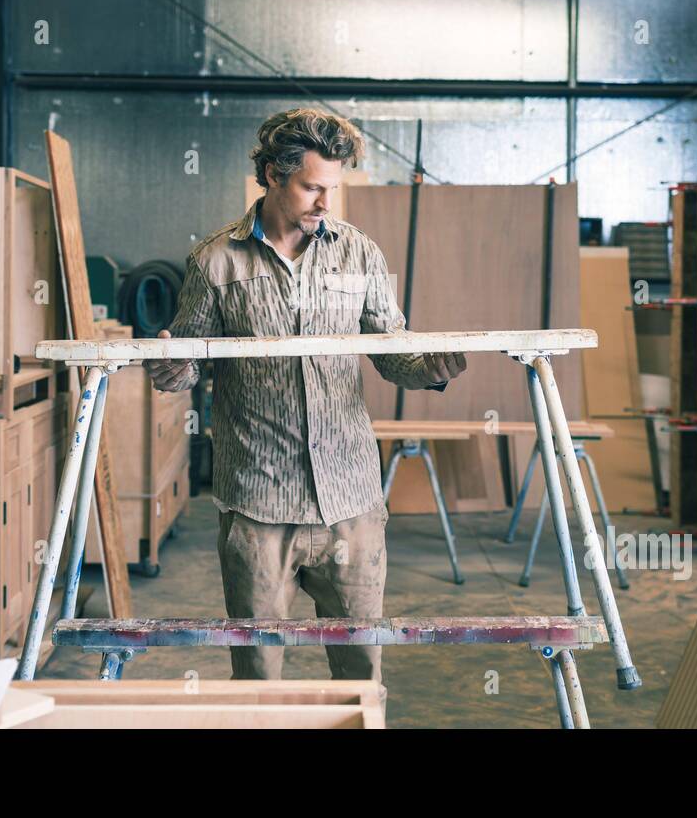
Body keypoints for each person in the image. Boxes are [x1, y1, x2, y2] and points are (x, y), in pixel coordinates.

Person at [146, 107, 467, 686]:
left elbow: (392, 352)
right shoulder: (215, 262)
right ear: (273, 174)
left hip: (350, 502)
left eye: (332, 189)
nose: (325, 202)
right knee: (258, 676)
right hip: (259, 503)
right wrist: (169, 367)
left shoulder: (360, 253)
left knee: (360, 672)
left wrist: (431, 369)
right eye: (312, 187)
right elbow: (187, 366)